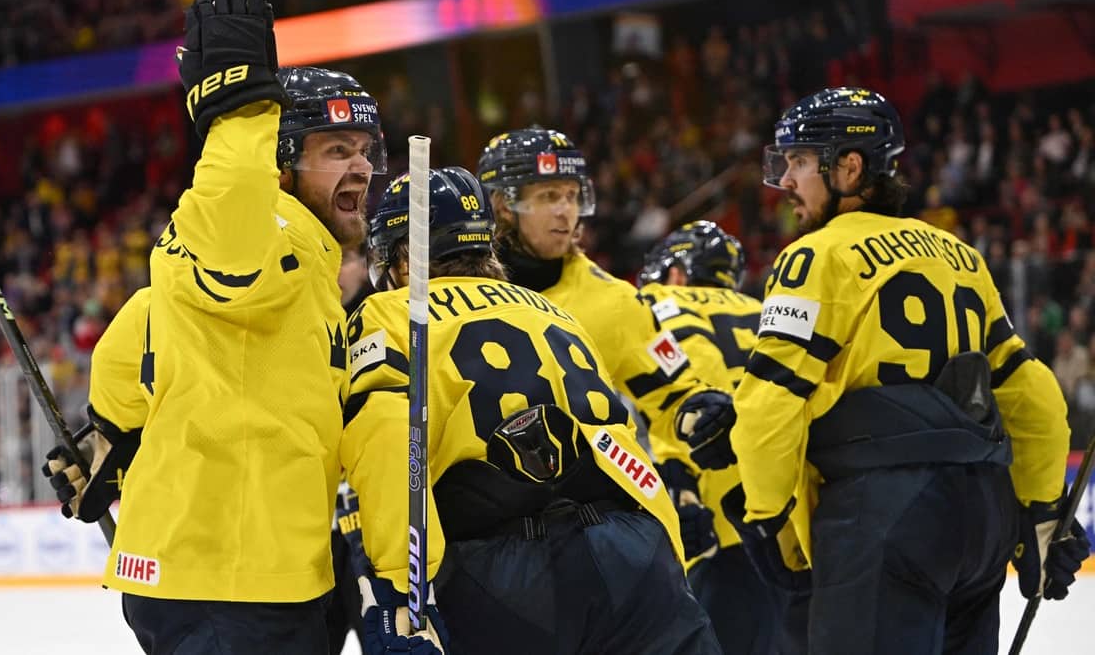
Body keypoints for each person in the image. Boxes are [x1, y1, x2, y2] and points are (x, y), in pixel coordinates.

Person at [684, 87, 1091, 654]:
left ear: (850, 168)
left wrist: (773, 526)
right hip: (981, 513)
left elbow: (770, 404)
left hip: (883, 516)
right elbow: (1034, 392)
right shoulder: (958, 254)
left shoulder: (815, 255)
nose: (786, 182)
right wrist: (1045, 516)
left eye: (800, 162)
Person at [43, 0, 386, 652]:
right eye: (337, 149)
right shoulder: (266, 236)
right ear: (280, 168)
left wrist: (109, 440)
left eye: (366, 149)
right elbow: (230, 210)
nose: (363, 167)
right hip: (233, 582)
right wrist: (242, 115)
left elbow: (131, 340)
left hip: (233, 577)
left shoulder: (303, 267)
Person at [341, 166, 723, 655]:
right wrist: (668, 557)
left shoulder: (389, 315)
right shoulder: (553, 311)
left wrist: (402, 593)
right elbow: (619, 439)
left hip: (506, 575)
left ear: (401, 257)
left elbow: (389, 450)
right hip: (635, 553)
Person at [476, 128, 737, 565]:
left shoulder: (614, 301)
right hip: (486, 532)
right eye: (547, 196)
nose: (566, 211)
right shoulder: (459, 291)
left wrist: (699, 425)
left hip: (587, 532)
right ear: (503, 205)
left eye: (572, 195)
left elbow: (674, 397)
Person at [638, 221, 806, 655]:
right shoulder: (764, 309)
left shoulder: (658, 302)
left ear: (676, 273)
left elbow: (693, 399)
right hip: (790, 518)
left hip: (713, 521)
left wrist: (680, 482)